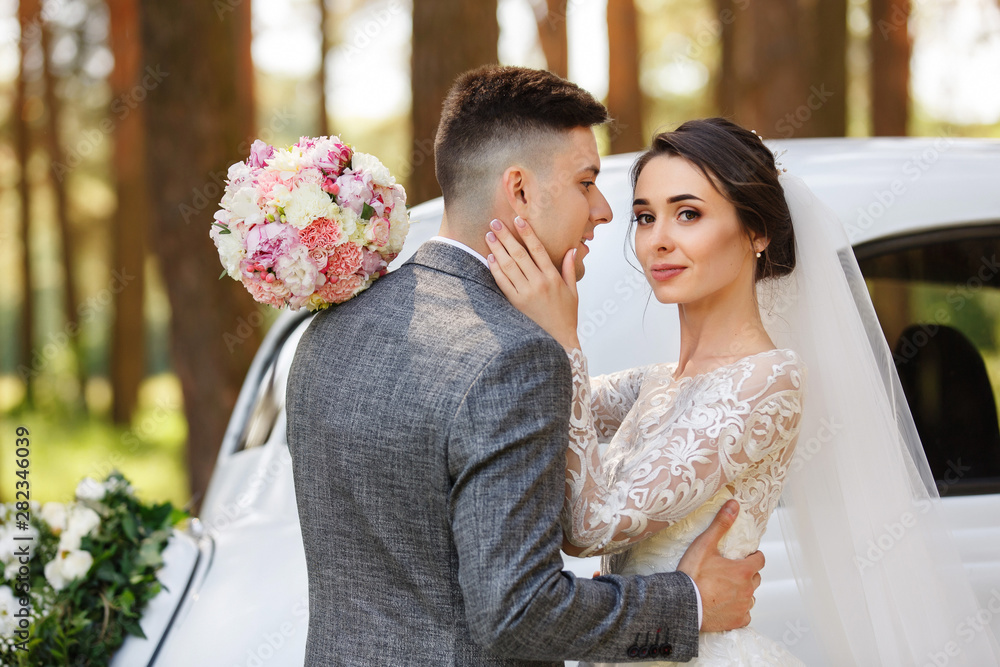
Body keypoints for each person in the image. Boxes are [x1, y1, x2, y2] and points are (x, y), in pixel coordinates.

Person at [285, 68, 763, 666]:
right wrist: (687, 603)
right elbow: (517, 613)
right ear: (519, 191)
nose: (604, 210)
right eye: (587, 182)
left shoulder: (332, 326)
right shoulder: (518, 357)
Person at [486, 117, 1000, 665]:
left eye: (688, 214)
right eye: (644, 217)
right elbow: (538, 403)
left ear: (757, 233)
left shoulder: (769, 380)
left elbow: (591, 526)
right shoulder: (656, 382)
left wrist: (563, 336)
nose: (657, 239)